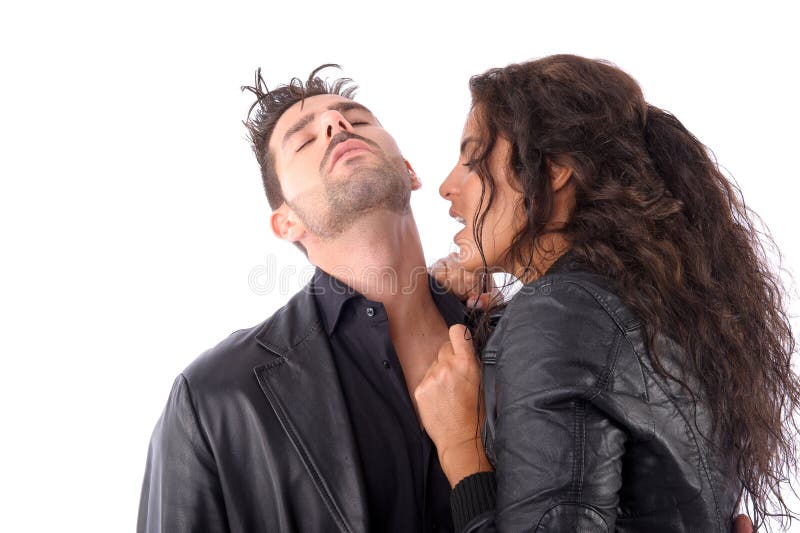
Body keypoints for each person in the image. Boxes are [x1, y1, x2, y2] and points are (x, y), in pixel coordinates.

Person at [137, 64, 757, 533]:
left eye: (356, 118)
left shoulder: (538, 333)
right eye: (303, 140)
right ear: (286, 223)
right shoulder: (215, 398)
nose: (335, 125)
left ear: (410, 172)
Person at [415, 55, 798, 532]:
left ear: (554, 168)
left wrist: (462, 451)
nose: (447, 187)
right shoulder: (653, 302)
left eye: (474, 161)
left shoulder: (558, 312)